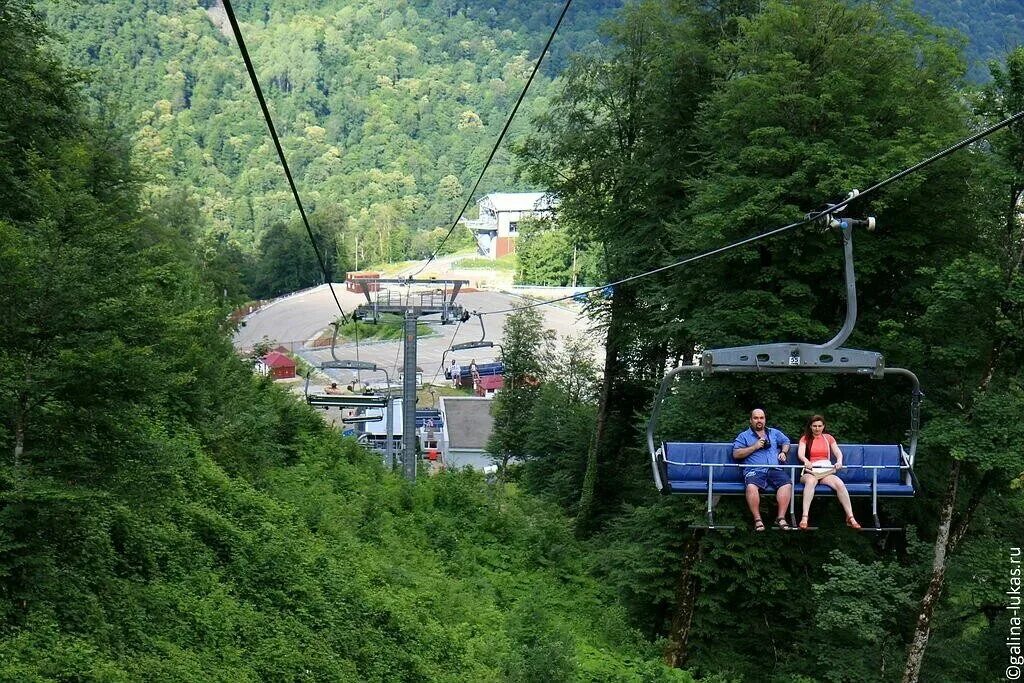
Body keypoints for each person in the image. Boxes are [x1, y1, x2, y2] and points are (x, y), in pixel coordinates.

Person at [796, 415, 860, 530]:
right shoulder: (805, 438)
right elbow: (801, 454)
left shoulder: (828, 438)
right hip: (810, 471)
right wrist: (806, 461)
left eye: (819, 426)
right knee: (811, 481)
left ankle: (850, 516)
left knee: (839, 484)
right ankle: (805, 516)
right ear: (810, 426)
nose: (817, 428)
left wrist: (839, 461)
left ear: (823, 426)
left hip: (825, 471)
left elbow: (837, 452)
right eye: (814, 426)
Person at [733, 408, 792, 531]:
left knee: (786, 484)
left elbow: (786, 441)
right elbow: (736, 454)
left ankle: (780, 517)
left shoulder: (774, 433)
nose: (759, 420)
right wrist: (754, 447)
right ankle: (757, 519)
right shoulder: (744, 436)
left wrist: (783, 451)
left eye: (761, 418)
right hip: (754, 470)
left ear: (765, 419)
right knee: (751, 487)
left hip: (774, 469)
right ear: (751, 420)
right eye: (756, 418)